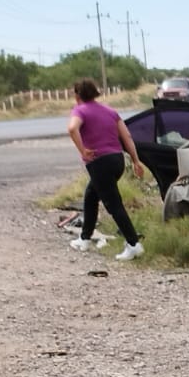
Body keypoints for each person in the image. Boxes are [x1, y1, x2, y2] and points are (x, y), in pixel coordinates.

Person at [66, 78, 145, 260]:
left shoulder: (80, 110)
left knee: (113, 203)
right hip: (117, 160)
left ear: (77, 95)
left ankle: (133, 244)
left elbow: (72, 129)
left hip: (99, 163)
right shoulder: (110, 111)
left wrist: (83, 151)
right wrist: (136, 160)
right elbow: (127, 136)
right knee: (91, 195)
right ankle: (84, 238)